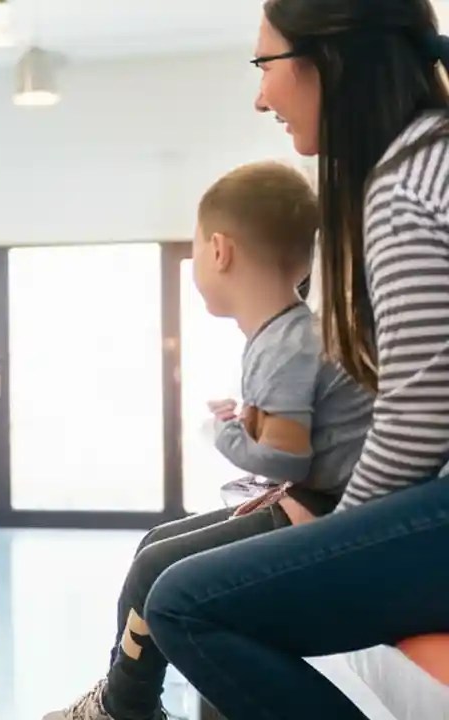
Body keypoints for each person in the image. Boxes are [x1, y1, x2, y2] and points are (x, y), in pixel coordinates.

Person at [143, 2, 449, 718]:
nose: (260, 95)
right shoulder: (432, 153)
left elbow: (417, 420)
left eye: (265, 66)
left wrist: (333, 528)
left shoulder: (407, 182)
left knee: (183, 602)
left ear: (328, 61)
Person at [45, 161, 374, 720]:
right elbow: (297, 437)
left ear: (219, 251)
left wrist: (220, 432)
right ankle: (122, 701)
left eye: (196, 248)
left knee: (156, 569)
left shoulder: (284, 342)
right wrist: (249, 421)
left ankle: (124, 708)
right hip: (313, 500)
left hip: (320, 512)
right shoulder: (288, 331)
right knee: (155, 544)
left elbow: (286, 456)